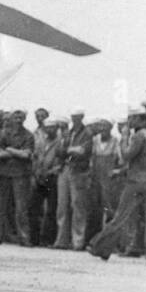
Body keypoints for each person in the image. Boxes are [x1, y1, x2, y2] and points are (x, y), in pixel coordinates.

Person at [88, 107, 146, 264]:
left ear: (141, 120)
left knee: (120, 217)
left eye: (132, 118)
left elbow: (126, 155)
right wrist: (121, 172)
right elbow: (144, 162)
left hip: (135, 184)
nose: (129, 122)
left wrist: (124, 137)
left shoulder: (138, 136)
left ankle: (100, 247)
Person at [0, 109, 34, 245]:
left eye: (21, 117)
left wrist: (10, 150)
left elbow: (26, 155)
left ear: (25, 118)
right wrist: (17, 152)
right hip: (3, 173)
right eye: (16, 117)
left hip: (20, 174)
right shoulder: (3, 134)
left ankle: (24, 238)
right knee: (0, 207)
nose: (18, 119)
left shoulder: (28, 135)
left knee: (21, 208)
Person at [54, 107, 92, 250]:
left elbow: (84, 151)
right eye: (73, 116)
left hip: (79, 171)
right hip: (66, 169)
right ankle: (61, 240)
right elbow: (59, 151)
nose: (75, 119)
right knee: (62, 206)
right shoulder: (68, 133)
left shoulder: (87, 133)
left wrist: (69, 150)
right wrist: (72, 150)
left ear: (82, 117)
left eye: (77, 116)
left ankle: (78, 241)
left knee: (78, 206)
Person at [29, 119, 63, 247]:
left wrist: (49, 172)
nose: (50, 130)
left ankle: (48, 239)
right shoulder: (41, 142)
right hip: (39, 177)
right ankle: (34, 238)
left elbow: (60, 162)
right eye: (47, 127)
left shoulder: (60, 142)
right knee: (34, 208)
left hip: (52, 178)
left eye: (52, 127)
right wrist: (35, 173)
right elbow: (36, 157)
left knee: (51, 209)